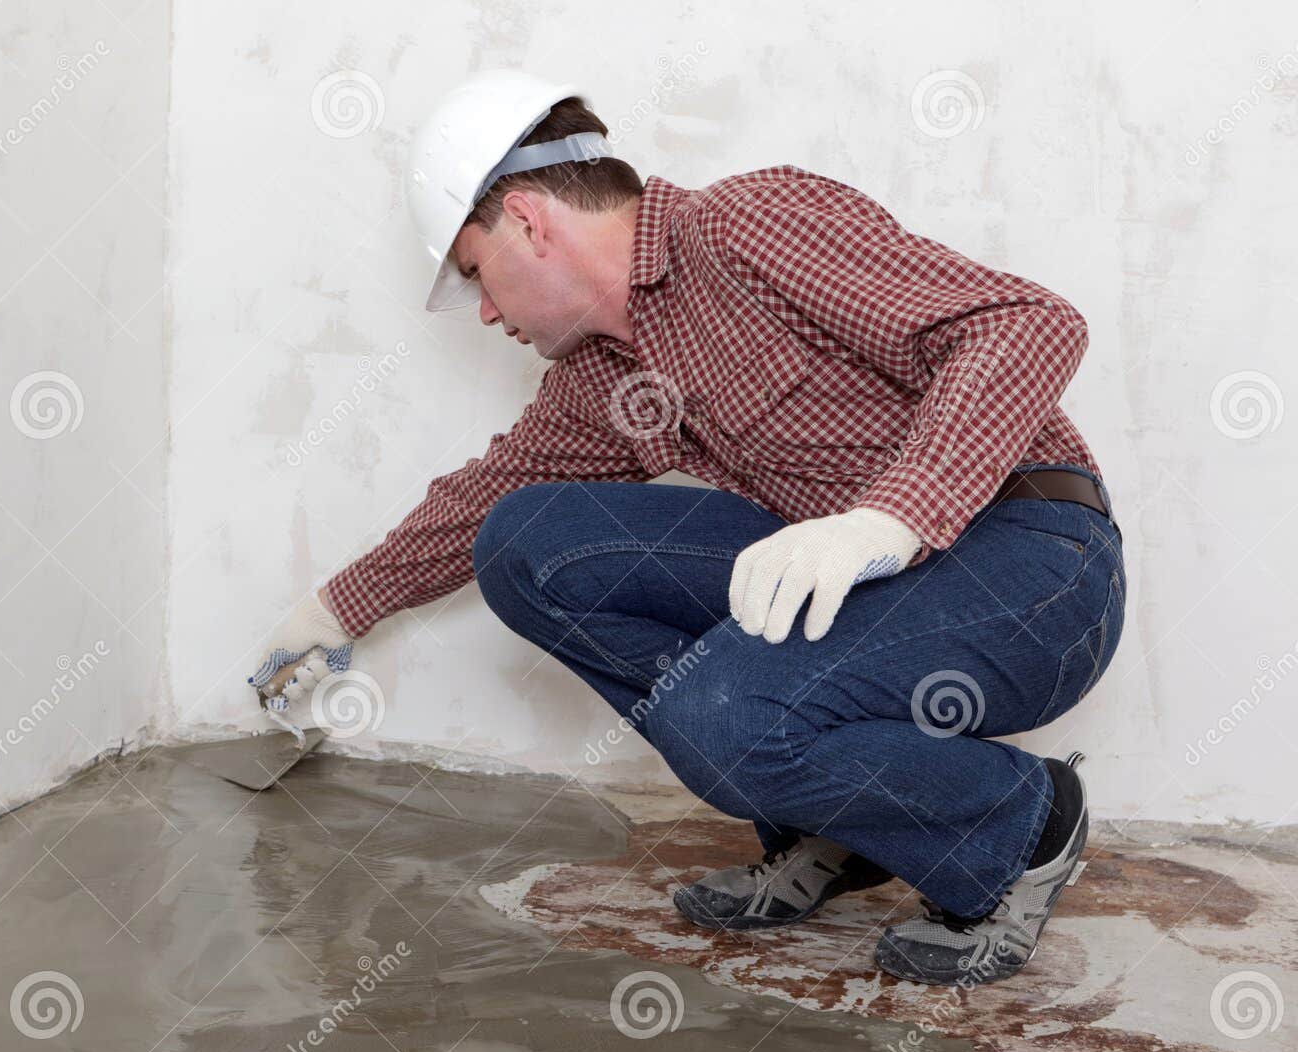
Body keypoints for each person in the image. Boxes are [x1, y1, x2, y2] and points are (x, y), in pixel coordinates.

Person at [249, 69, 1126, 985]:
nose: (486, 311)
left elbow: (1027, 323)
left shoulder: (747, 227)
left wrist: (891, 514)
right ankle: (832, 824)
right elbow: (476, 503)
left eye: (476, 274)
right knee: (525, 542)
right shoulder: (602, 383)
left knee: (724, 712)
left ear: (526, 220)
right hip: (871, 598)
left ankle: (1023, 824)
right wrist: (332, 611)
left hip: (1032, 564)